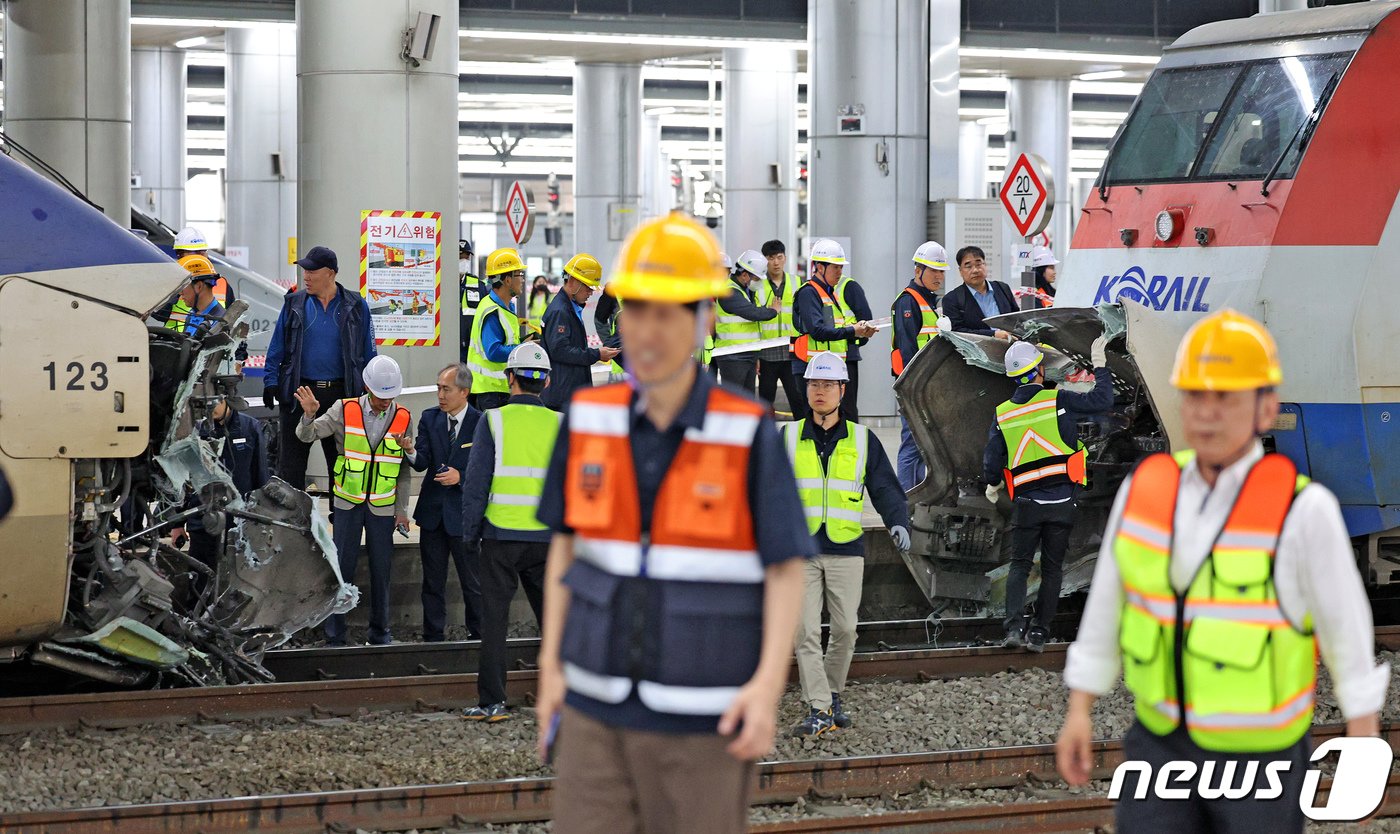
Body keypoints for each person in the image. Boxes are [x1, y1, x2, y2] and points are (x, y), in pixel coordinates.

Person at [1056, 310, 1388, 833]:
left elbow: (1344, 627)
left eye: (1225, 398)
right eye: (1195, 396)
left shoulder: (1302, 511)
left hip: (1262, 753)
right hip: (1160, 742)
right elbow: (1107, 607)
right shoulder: (1146, 494)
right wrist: (1080, 706)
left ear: (1265, 408)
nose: (1206, 414)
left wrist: (1364, 730)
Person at [534, 212, 813, 834]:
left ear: (702, 319)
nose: (647, 330)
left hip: (705, 720)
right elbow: (566, 550)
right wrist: (551, 671)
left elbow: (786, 568)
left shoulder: (744, 430)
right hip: (592, 711)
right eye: (636, 311)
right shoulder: (588, 419)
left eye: (667, 313)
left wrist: (767, 690)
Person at [783, 352, 910, 737]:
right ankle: (819, 708)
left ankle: (832, 695)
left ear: (842, 389)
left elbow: (885, 488)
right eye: (813, 384)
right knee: (804, 632)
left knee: (845, 630)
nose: (819, 392)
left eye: (827, 385)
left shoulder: (862, 439)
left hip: (845, 547)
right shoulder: (787, 438)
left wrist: (898, 521)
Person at [983, 339, 1114, 651]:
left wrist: (993, 486)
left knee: (1020, 565)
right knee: (1053, 569)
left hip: (1027, 505)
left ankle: (1014, 630)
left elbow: (991, 464)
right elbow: (1102, 399)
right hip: (1061, 504)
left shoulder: (1003, 414)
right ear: (1040, 371)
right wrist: (1101, 365)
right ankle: (1039, 633)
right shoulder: (1058, 400)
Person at [460, 343, 560, 722]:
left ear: (509, 378)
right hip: (548, 541)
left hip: (500, 537)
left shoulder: (493, 420)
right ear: (546, 381)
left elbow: (476, 482)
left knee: (495, 623)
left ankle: (493, 703)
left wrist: (470, 534)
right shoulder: (562, 424)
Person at [294, 355, 412, 646]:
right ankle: (335, 635)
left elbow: (404, 470)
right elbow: (306, 435)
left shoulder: (404, 418)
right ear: (367, 388)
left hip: (382, 508)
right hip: (347, 504)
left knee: (381, 570)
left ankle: (380, 633)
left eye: (390, 396)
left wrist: (402, 511)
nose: (386, 402)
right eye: (381, 396)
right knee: (341, 569)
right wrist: (308, 415)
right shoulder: (343, 410)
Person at [264, 245, 377, 491]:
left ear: (330, 273)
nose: (306, 276)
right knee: (291, 467)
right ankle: (293, 525)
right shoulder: (294, 304)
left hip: (342, 397)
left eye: (312, 271)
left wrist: (372, 392)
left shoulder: (357, 306)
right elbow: (277, 347)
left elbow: (369, 353)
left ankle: (343, 523)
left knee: (342, 465)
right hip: (300, 394)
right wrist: (270, 382)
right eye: (304, 270)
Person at [409, 363, 484, 642]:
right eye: (438, 388)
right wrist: (410, 451)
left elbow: (488, 469)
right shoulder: (430, 419)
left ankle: (478, 636)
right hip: (432, 515)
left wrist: (461, 477)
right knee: (432, 582)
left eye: (446, 389)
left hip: (464, 516)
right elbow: (422, 462)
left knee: (472, 583)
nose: (440, 395)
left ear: (464, 392)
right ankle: (433, 638)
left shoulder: (482, 423)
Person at [172, 397, 271, 596]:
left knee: (243, 578)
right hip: (203, 517)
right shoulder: (195, 430)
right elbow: (180, 478)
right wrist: (176, 524)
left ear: (227, 399)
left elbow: (260, 475)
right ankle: (197, 615)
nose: (210, 409)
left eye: (215, 403)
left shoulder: (249, 427)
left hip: (240, 518)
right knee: (200, 575)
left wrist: (261, 518)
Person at [791, 239, 875, 405]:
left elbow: (835, 330)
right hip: (811, 370)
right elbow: (818, 331)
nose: (839, 272)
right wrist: (852, 330)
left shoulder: (829, 294)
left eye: (841, 267)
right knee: (815, 422)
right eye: (835, 267)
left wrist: (859, 335)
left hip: (829, 368)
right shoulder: (809, 293)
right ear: (820, 267)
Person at [891, 241, 946, 490]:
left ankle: (918, 498)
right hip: (915, 388)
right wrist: (914, 392)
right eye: (933, 270)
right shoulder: (908, 301)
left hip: (930, 387)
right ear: (918, 271)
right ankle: (907, 501)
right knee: (912, 446)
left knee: (925, 448)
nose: (939, 276)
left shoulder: (931, 301)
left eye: (941, 271)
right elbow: (907, 351)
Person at [541, 253, 620, 411]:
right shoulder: (561, 311)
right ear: (572, 281)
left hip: (567, 391)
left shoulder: (568, 308)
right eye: (588, 287)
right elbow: (560, 351)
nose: (591, 292)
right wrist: (596, 354)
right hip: (561, 395)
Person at [467, 247, 527, 411]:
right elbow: (493, 351)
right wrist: (523, 349)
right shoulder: (491, 310)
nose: (522, 279)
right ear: (507, 280)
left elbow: (506, 342)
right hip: (490, 392)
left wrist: (523, 343)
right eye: (519, 274)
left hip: (498, 389)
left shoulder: (505, 307)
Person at [713, 249, 778, 394]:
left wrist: (756, 355)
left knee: (746, 399)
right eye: (756, 278)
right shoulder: (729, 292)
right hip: (732, 355)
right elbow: (752, 313)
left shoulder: (745, 291)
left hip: (747, 353)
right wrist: (773, 311)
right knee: (733, 400)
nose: (759, 282)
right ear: (744, 275)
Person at [753, 239, 804, 418]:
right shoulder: (756, 285)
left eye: (779, 257)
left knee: (798, 398)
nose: (775, 262)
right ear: (765, 260)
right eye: (770, 258)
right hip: (767, 353)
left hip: (792, 352)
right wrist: (756, 354)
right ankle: (766, 441)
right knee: (765, 402)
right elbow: (753, 322)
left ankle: (802, 439)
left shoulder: (797, 282)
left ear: (785, 258)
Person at [942, 245, 1017, 339]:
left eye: (979, 264)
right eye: (968, 266)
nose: (975, 270)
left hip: (1010, 348)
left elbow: (1017, 319)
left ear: (985, 265)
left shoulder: (1002, 288)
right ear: (960, 271)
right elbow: (957, 332)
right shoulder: (952, 299)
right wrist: (993, 334)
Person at [832, 272, 872, 423]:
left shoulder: (848, 287)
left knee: (847, 407)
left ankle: (850, 444)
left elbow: (866, 321)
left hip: (847, 356)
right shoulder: (812, 289)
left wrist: (854, 342)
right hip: (822, 355)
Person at [460, 240, 484, 363]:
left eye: (467, 257)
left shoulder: (478, 285)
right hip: (447, 347)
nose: (464, 260)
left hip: (470, 348)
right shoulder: (440, 283)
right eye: (460, 256)